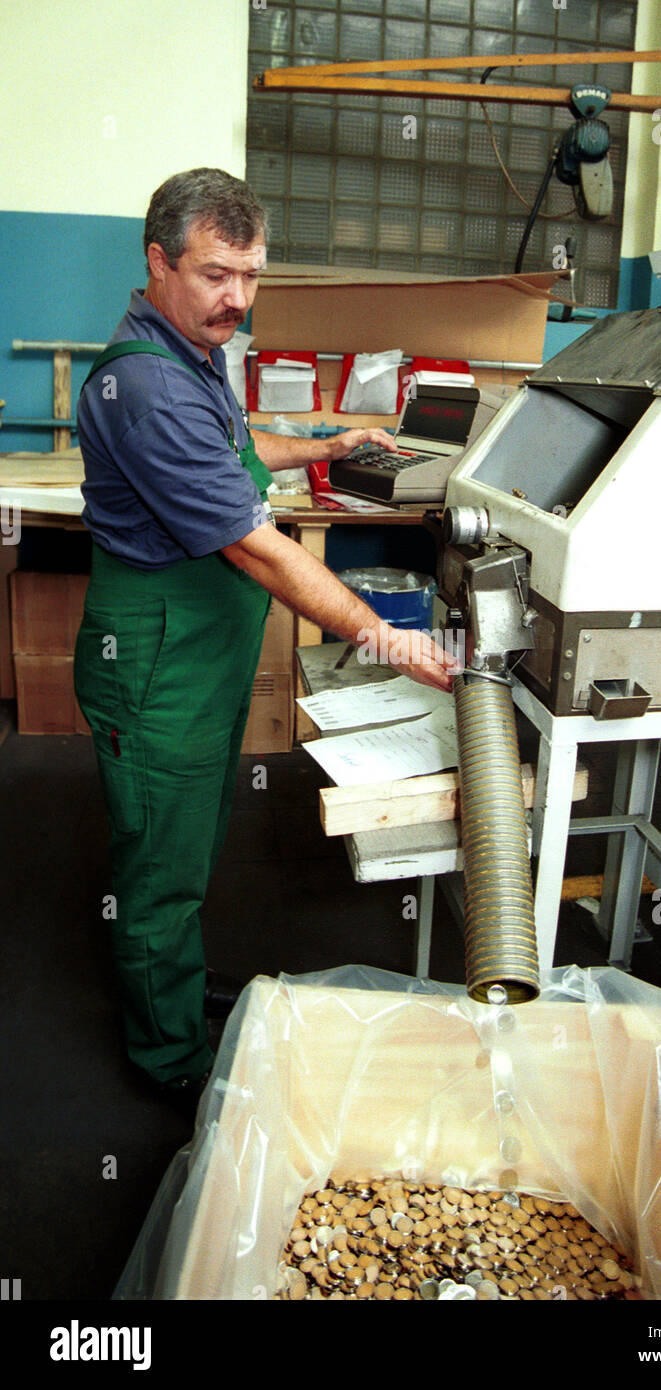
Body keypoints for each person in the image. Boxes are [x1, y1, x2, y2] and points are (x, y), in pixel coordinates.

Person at [74, 167, 458, 1110]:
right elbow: (263, 554)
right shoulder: (146, 385)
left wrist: (321, 448)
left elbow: (235, 451)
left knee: (191, 835)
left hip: (196, 659)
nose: (236, 301)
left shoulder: (191, 354)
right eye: (214, 275)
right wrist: (388, 641)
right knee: (158, 860)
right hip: (160, 657)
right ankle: (164, 1054)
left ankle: (173, 986)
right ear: (158, 262)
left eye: (250, 275)